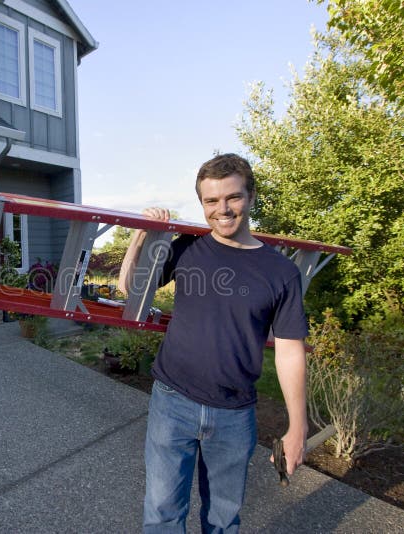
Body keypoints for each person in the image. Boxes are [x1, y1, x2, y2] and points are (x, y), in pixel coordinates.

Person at [118, 153, 308, 533]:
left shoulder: (281, 272)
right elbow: (129, 289)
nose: (222, 209)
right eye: (211, 201)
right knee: (161, 513)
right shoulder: (188, 246)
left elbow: (290, 350)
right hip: (172, 402)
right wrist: (142, 234)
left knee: (222, 520)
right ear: (202, 203)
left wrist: (297, 427)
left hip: (234, 416)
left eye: (232, 198)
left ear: (251, 197)